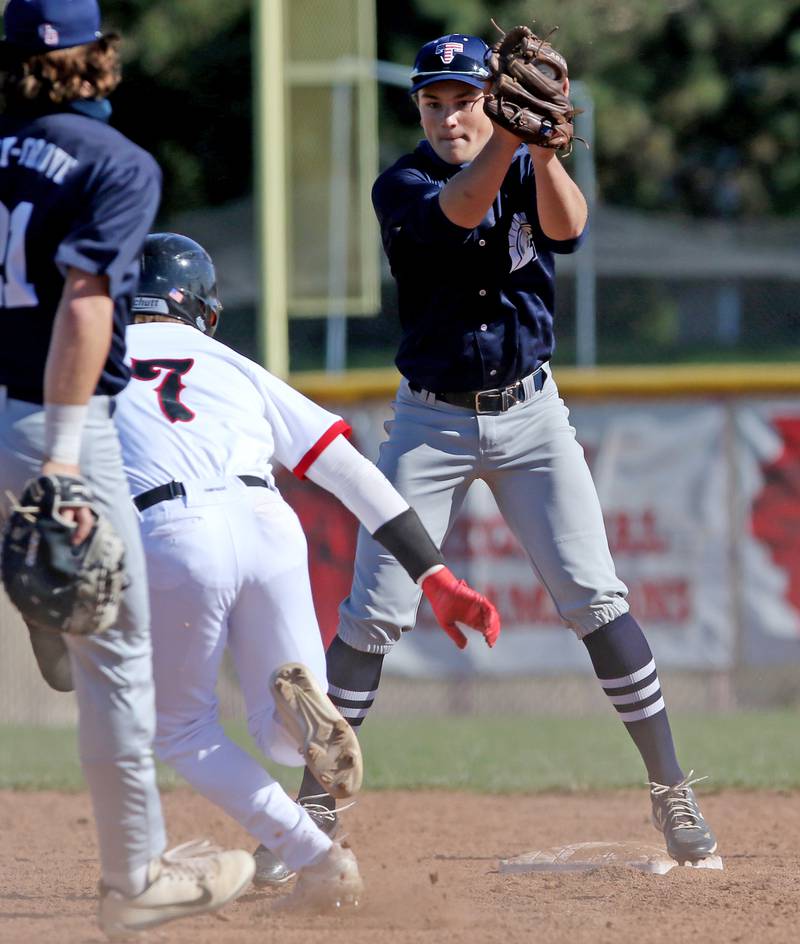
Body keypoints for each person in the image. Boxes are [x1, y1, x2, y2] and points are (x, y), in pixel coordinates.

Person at [286, 33, 719, 867]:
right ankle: (315, 805)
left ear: (492, 100)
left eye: (465, 98)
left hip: (532, 417)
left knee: (597, 598)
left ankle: (671, 789)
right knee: (373, 615)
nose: (450, 115)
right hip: (429, 423)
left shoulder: (525, 160)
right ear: (419, 110)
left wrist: (548, 152)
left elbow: (570, 229)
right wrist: (513, 140)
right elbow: (457, 215)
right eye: (434, 101)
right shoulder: (403, 183)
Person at [113, 232, 500, 907]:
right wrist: (434, 574)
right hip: (267, 520)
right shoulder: (231, 364)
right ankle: (304, 718)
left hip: (170, 530)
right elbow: (349, 472)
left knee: (181, 729)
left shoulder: (87, 365)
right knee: (281, 738)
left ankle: (315, 857)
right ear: (202, 312)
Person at [0, 2, 255, 936]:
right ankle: (134, 875)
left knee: (95, 627)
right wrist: (62, 457)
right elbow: (83, 302)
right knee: (118, 652)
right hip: (56, 419)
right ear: (99, 59)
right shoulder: (117, 163)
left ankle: (45, 613)